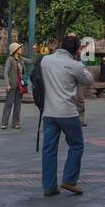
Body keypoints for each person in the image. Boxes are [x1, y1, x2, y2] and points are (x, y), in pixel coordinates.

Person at [39, 34, 92, 197]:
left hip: (48, 111)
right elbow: (88, 80)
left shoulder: (45, 60)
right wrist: (79, 60)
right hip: (67, 112)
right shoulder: (74, 65)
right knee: (76, 145)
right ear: (76, 50)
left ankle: (49, 186)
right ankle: (69, 179)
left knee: (49, 149)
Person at [1, 43, 25, 130]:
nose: (21, 49)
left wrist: (34, 51)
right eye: (19, 48)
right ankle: (4, 123)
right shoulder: (10, 60)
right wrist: (7, 84)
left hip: (20, 86)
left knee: (18, 105)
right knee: (9, 104)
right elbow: (6, 74)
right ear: (15, 49)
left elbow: (31, 61)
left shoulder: (21, 59)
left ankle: (16, 123)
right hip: (12, 85)